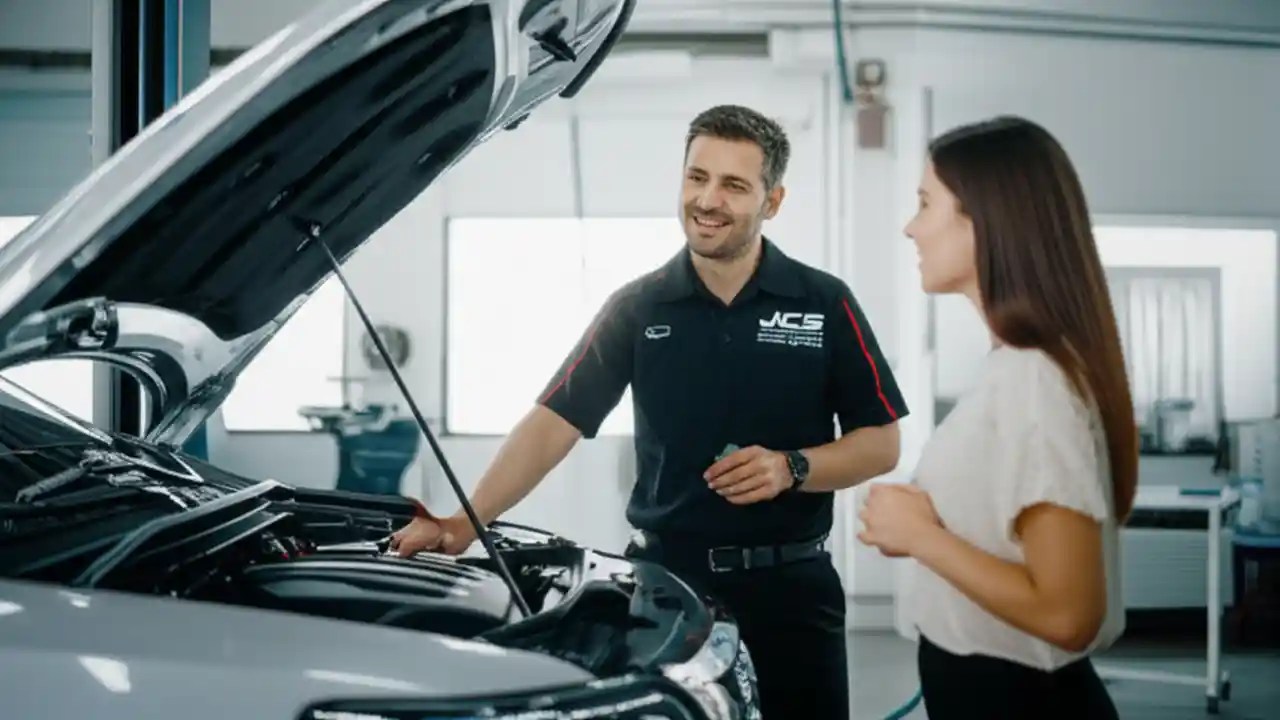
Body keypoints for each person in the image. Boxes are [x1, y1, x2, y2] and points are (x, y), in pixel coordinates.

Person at [390, 104, 909, 718]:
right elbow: (553, 422)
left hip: (793, 592)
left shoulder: (823, 302)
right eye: (697, 177)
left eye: (734, 185)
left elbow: (881, 444)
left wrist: (791, 467)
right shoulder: (638, 307)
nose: (707, 200)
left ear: (772, 202)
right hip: (669, 589)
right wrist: (464, 522)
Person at [856, 115, 1134, 720]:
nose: (910, 227)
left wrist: (921, 536)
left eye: (925, 204)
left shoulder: (1034, 379)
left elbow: (1068, 614)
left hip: (1019, 699)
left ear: (984, 220)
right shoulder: (1014, 367)